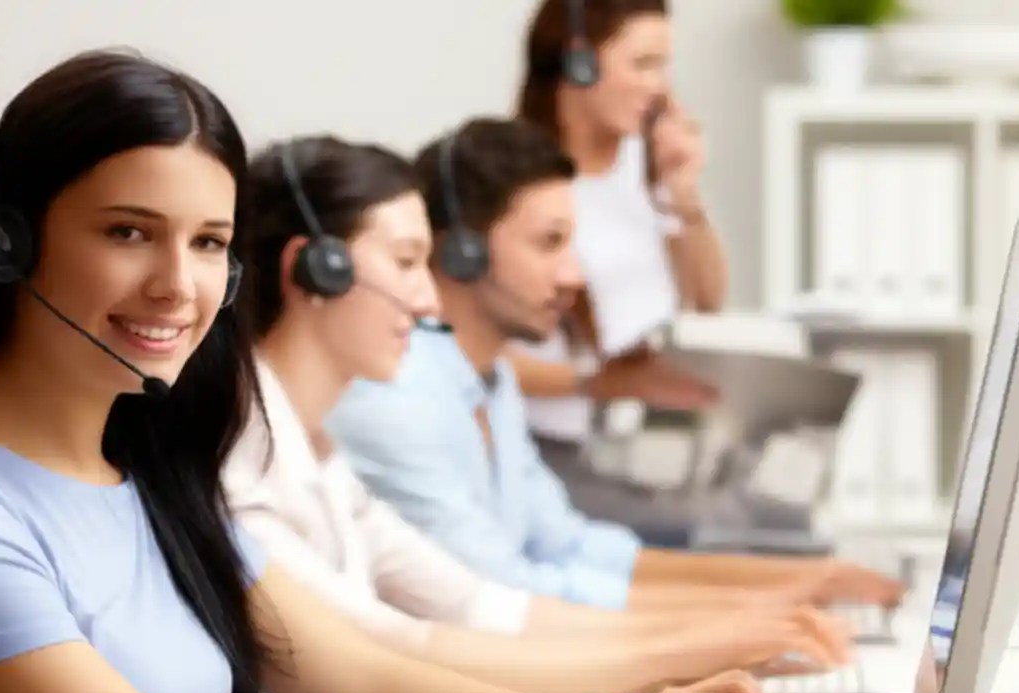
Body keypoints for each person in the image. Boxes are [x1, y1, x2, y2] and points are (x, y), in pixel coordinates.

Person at [0, 50, 775, 693]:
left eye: (210, 242)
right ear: (8, 242)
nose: (179, 286)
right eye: (130, 232)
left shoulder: (150, 475)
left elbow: (361, 676)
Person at [222, 135, 849, 693]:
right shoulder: (244, 460)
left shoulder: (317, 447)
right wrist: (682, 660)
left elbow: (477, 607)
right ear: (315, 269)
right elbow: (389, 651)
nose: (428, 299)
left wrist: (714, 638)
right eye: (407, 262)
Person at [327, 117, 904, 620]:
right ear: (461, 252)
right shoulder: (396, 398)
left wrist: (792, 584)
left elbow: (572, 545)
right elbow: (502, 592)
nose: (575, 275)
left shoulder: (491, 381)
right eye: (550, 243)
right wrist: (750, 609)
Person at [509, 0, 734, 537]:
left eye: (665, 66)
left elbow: (708, 299)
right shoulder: (516, 178)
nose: (658, 87)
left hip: (652, 448)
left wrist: (682, 195)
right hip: (558, 450)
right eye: (642, 64)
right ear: (579, 63)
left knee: (769, 523)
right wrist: (604, 384)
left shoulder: (646, 164)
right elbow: (477, 355)